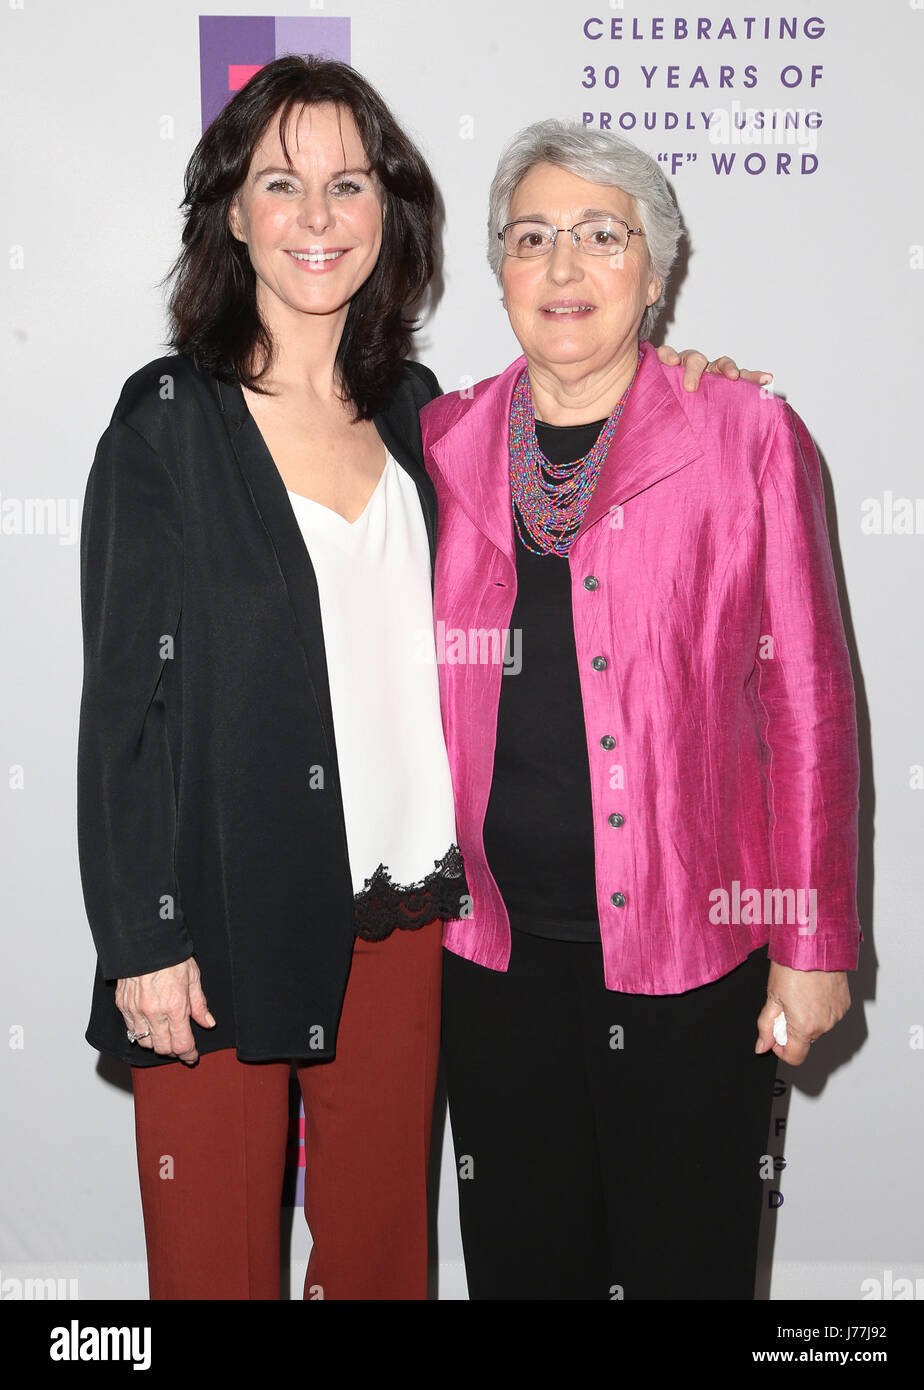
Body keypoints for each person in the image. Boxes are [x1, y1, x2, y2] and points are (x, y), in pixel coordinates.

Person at [78, 55, 763, 1301]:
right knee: (215, 1268)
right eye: (281, 183)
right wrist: (142, 940)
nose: (319, 217)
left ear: (387, 210)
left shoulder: (423, 414)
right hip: (221, 919)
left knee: (384, 1258)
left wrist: (688, 383)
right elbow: (122, 708)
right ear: (233, 211)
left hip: (407, 918)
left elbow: (592, 427)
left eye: (349, 184)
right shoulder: (165, 420)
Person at [420, 119, 860, 1301]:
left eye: (599, 237)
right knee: (522, 1266)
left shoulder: (746, 435)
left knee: (683, 1266)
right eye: (532, 238)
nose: (563, 268)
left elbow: (806, 698)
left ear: (653, 272)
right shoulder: (438, 443)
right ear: (500, 271)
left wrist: (812, 946)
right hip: (487, 955)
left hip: (689, 957)